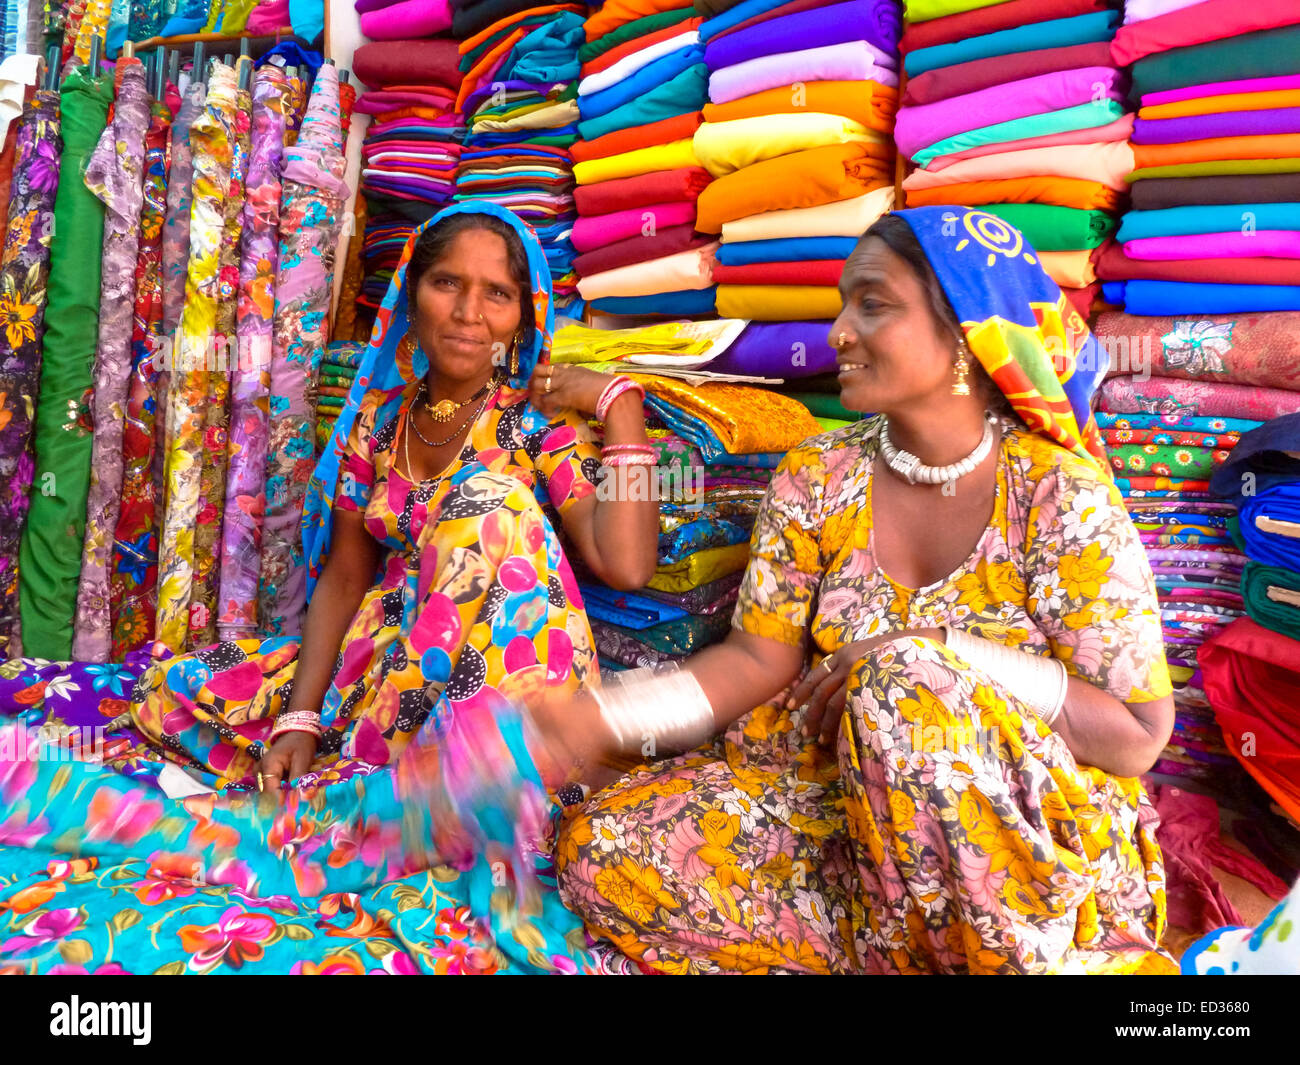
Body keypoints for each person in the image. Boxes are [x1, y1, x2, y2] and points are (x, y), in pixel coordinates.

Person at [538, 206, 1178, 975]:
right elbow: (752, 663)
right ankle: (912, 950)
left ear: (964, 335)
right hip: (846, 820)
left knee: (900, 684)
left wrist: (941, 653)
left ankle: (997, 950)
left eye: (873, 303)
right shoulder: (817, 474)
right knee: (599, 846)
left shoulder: (1058, 498)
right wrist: (592, 718)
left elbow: (1139, 735)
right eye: (843, 302)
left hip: (1027, 851)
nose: (839, 329)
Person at [7, 201, 659, 795]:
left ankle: (417, 780)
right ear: (411, 298)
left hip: (506, 665)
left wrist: (619, 403)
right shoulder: (380, 424)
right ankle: (378, 765)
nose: (468, 313)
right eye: (447, 284)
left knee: (491, 505)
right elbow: (347, 576)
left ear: (522, 319)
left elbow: (627, 565)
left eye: (498, 294)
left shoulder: (538, 426)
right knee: (183, 692)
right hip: (392, 658)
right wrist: (301, 715)